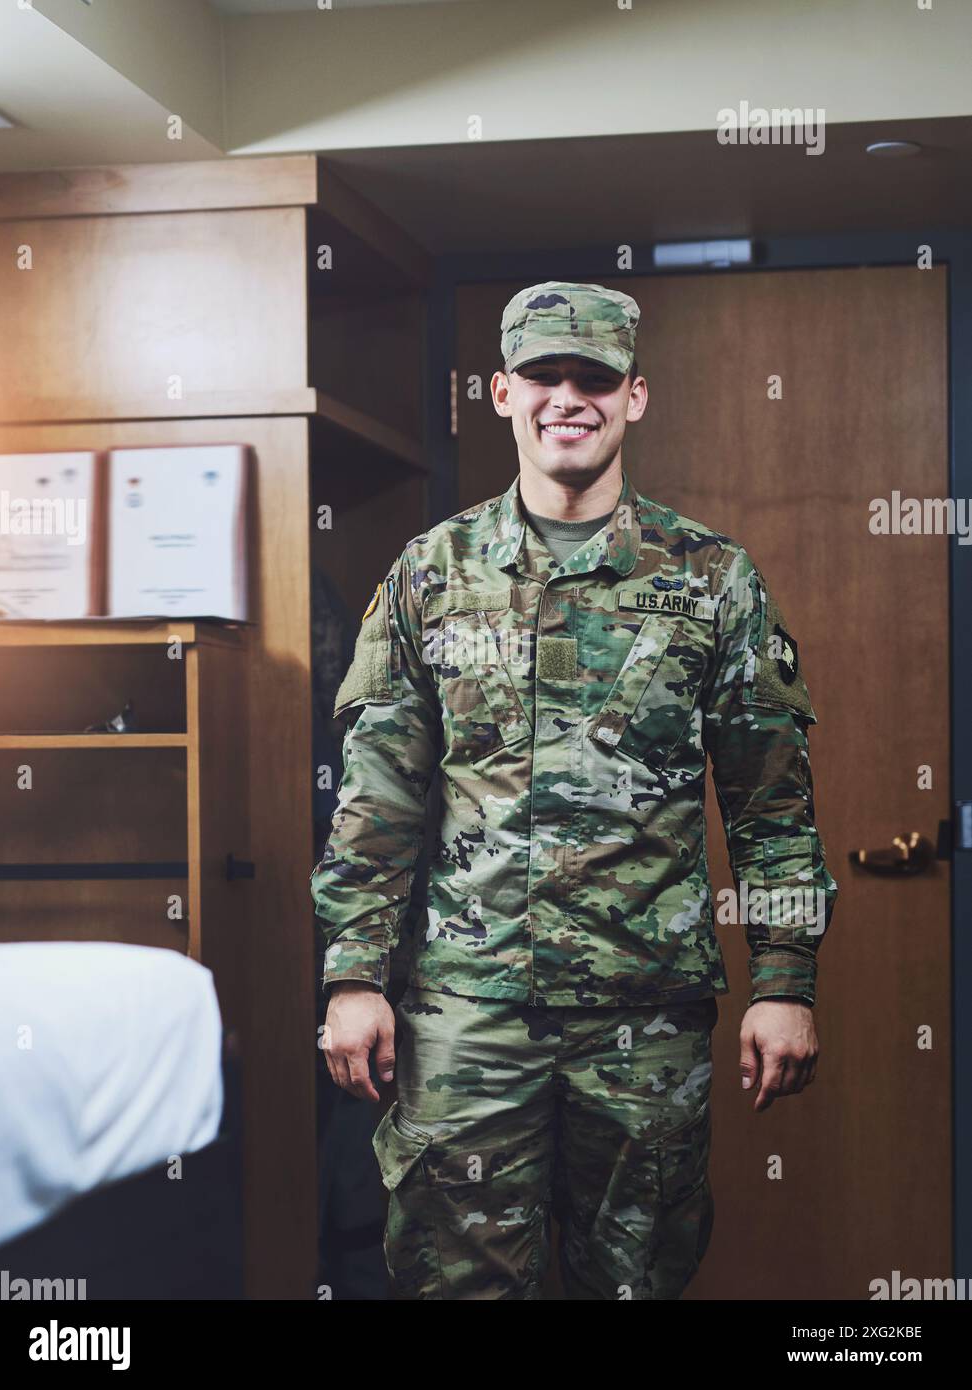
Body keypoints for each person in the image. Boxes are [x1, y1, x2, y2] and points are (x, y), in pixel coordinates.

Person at [310, 280, 838, 1300]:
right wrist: (352, 973)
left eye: (593, 377)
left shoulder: (712, 580)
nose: (568, 397)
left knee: (636, 1284)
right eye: (544, 375)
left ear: (633, 396)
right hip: (470, 1016)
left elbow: (771, 807)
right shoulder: (432, 573)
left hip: (645, 1022)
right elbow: (377, 800)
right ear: (503, 392)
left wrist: (785, 980)